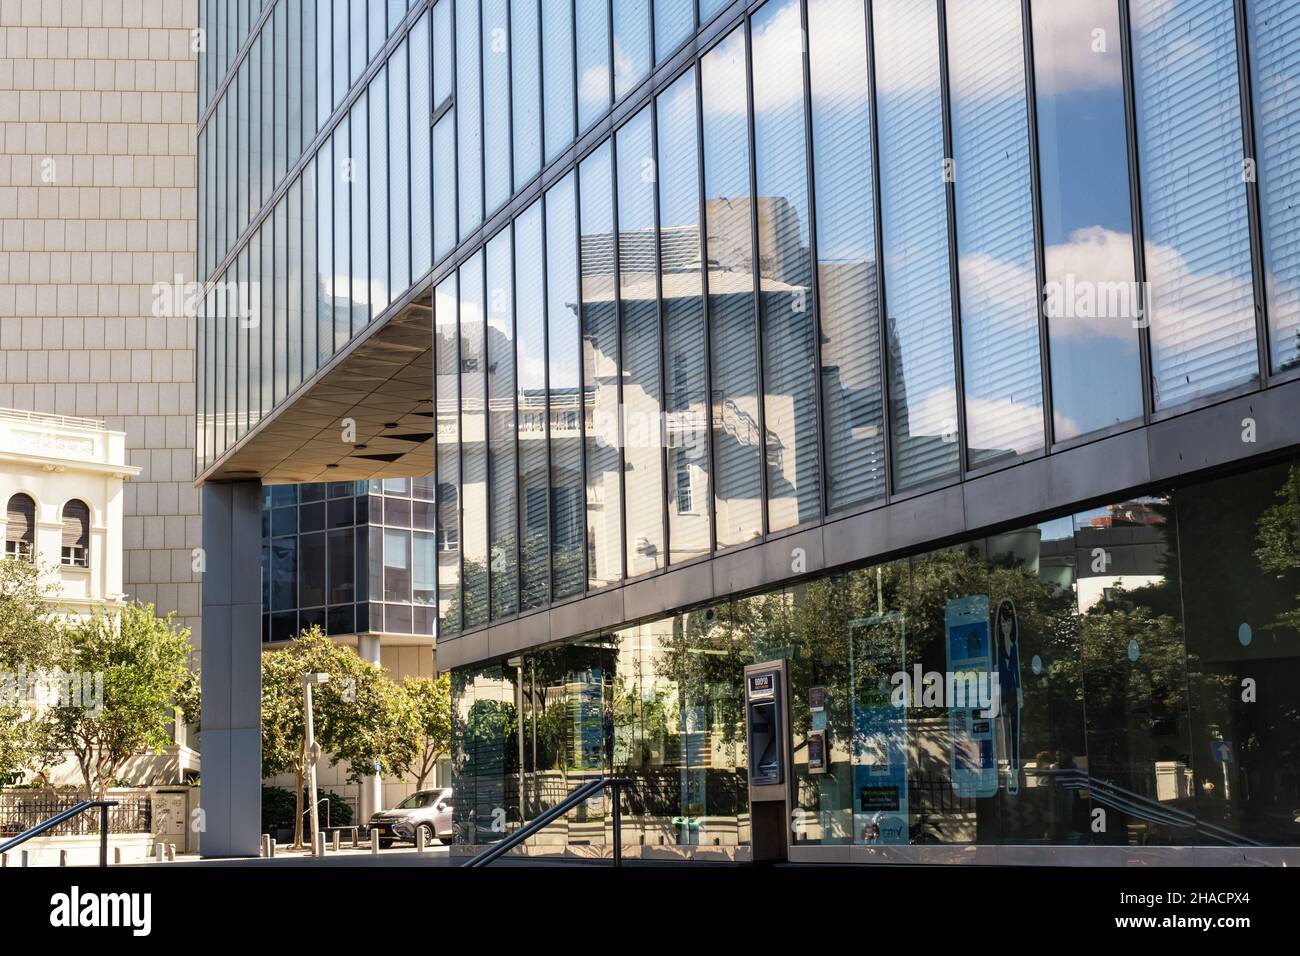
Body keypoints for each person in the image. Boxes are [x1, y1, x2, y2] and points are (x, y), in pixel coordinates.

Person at [995, 598, 1023, 795]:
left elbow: (1016, 673)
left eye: (1008, 622)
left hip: (1013, 692)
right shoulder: (999, 648)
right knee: (1005, 732)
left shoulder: (1013, 645)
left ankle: (1014, 771)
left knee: (1014, 733)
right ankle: (1009, 772)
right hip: (1003, 694)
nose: (1006, 625)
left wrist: (1020, 694)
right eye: (1003, 622)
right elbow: (998, 671)